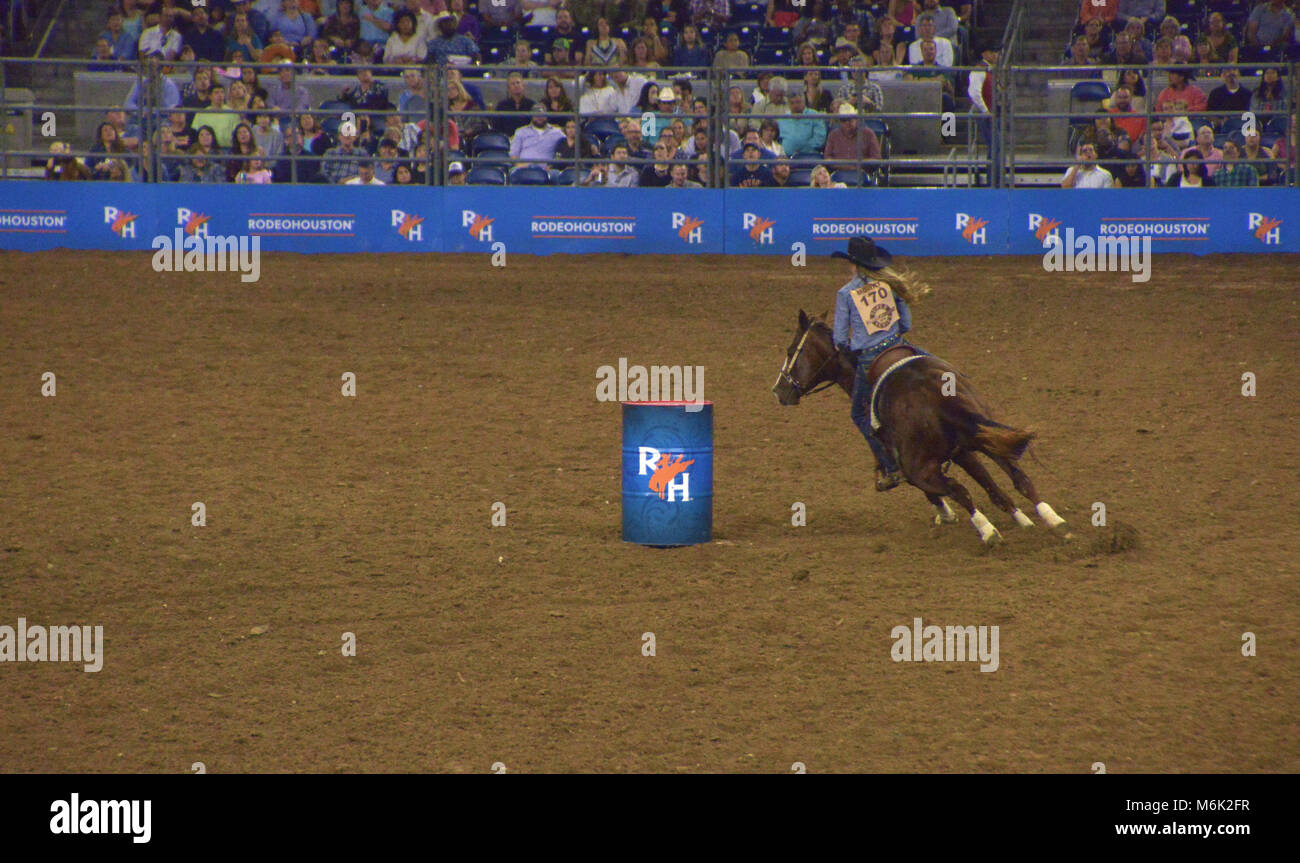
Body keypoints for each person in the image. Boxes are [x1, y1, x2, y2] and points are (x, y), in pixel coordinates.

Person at [830, 237, 932, 491]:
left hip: (870, 357)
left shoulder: (846, 294)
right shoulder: (888, 286)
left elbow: (840, 338)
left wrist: (851, 347)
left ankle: (891, 466)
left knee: (859, 414)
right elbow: (906, 324)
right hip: (899, 346)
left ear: (853, 264)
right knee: (937, 368)